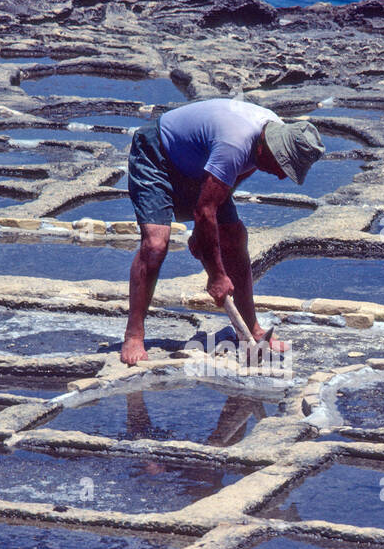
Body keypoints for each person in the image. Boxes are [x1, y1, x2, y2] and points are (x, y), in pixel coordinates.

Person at [120, 98, 325, 365]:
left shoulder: (276, 133)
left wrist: (204, 236)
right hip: (156, 153)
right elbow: (204, 212)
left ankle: (251, 329)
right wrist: (216, 275)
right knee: (156, 245)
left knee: (234, 237)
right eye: (282, 166)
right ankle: (134, 334)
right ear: (268, 149)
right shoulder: (235, 144)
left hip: (197, 164)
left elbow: (225, 188)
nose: (281, 176)